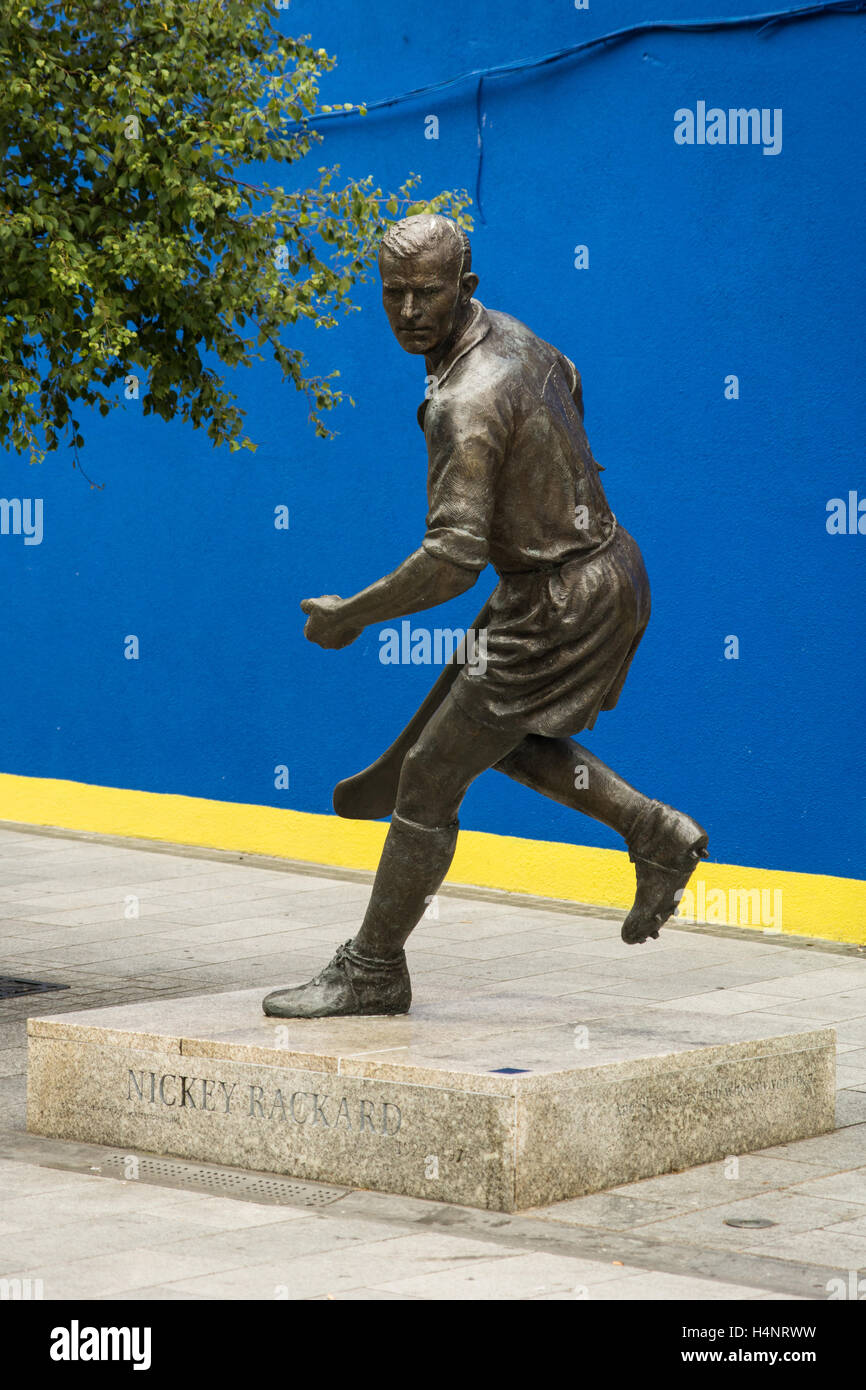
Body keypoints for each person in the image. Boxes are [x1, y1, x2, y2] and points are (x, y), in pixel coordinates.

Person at [262, 214, 707, 1020]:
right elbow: (570, 383)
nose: (407, 312)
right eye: (392, 294)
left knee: (431, 775)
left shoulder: (463, 402)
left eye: (426, 294)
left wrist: (353, 615)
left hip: (559, 593)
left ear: (463, 289)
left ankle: (373, 971)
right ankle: (652, 830)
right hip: (604, 567)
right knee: (498, 738)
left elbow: (451, 559)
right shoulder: (515, 338)